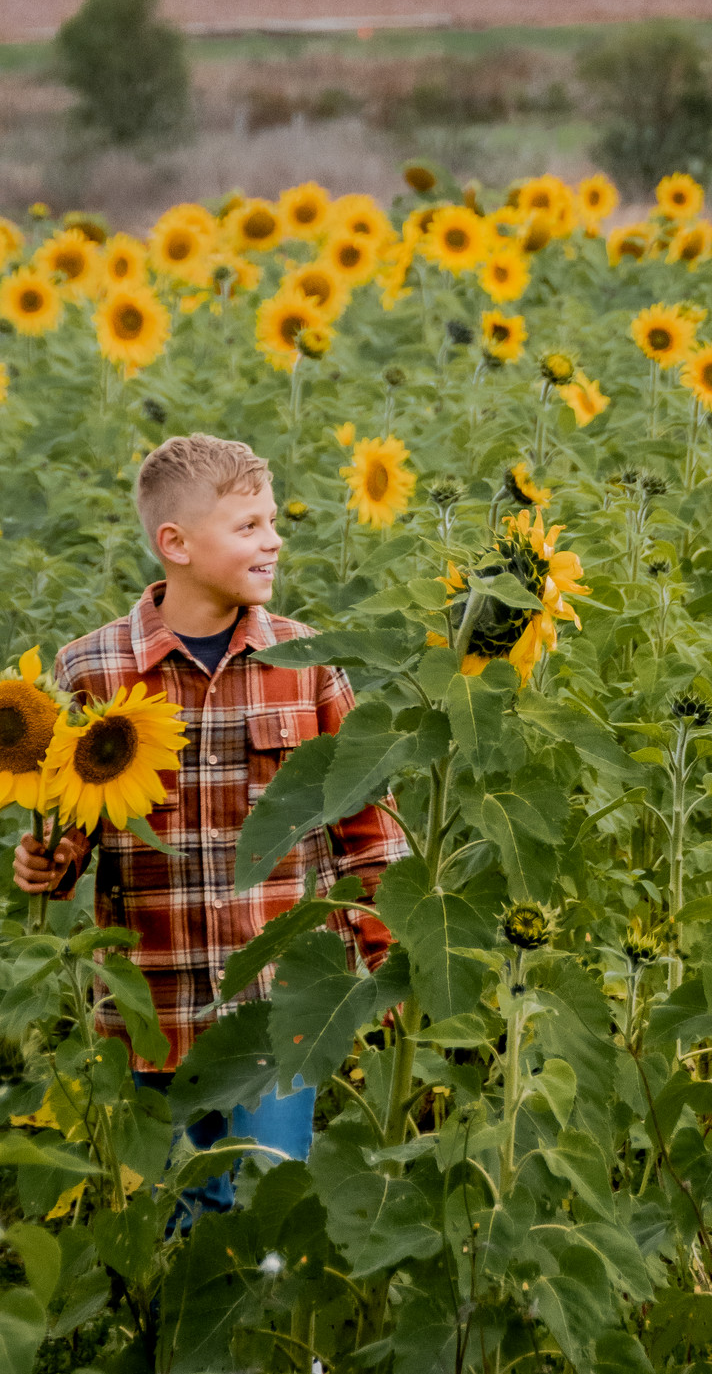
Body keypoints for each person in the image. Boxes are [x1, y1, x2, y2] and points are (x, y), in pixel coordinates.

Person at [14, 433, 407, 1211]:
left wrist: (388, 956)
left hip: (279, 1006)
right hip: (152, 1010)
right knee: (182, 1210)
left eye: (271, 521)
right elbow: (75, 825)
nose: (274, 538)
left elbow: (366, 823)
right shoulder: (90, 669)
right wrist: (47, 864)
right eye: (250, 526)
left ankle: (268, 1326)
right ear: (177, 544)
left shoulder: (307, 661)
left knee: (270, 1198)